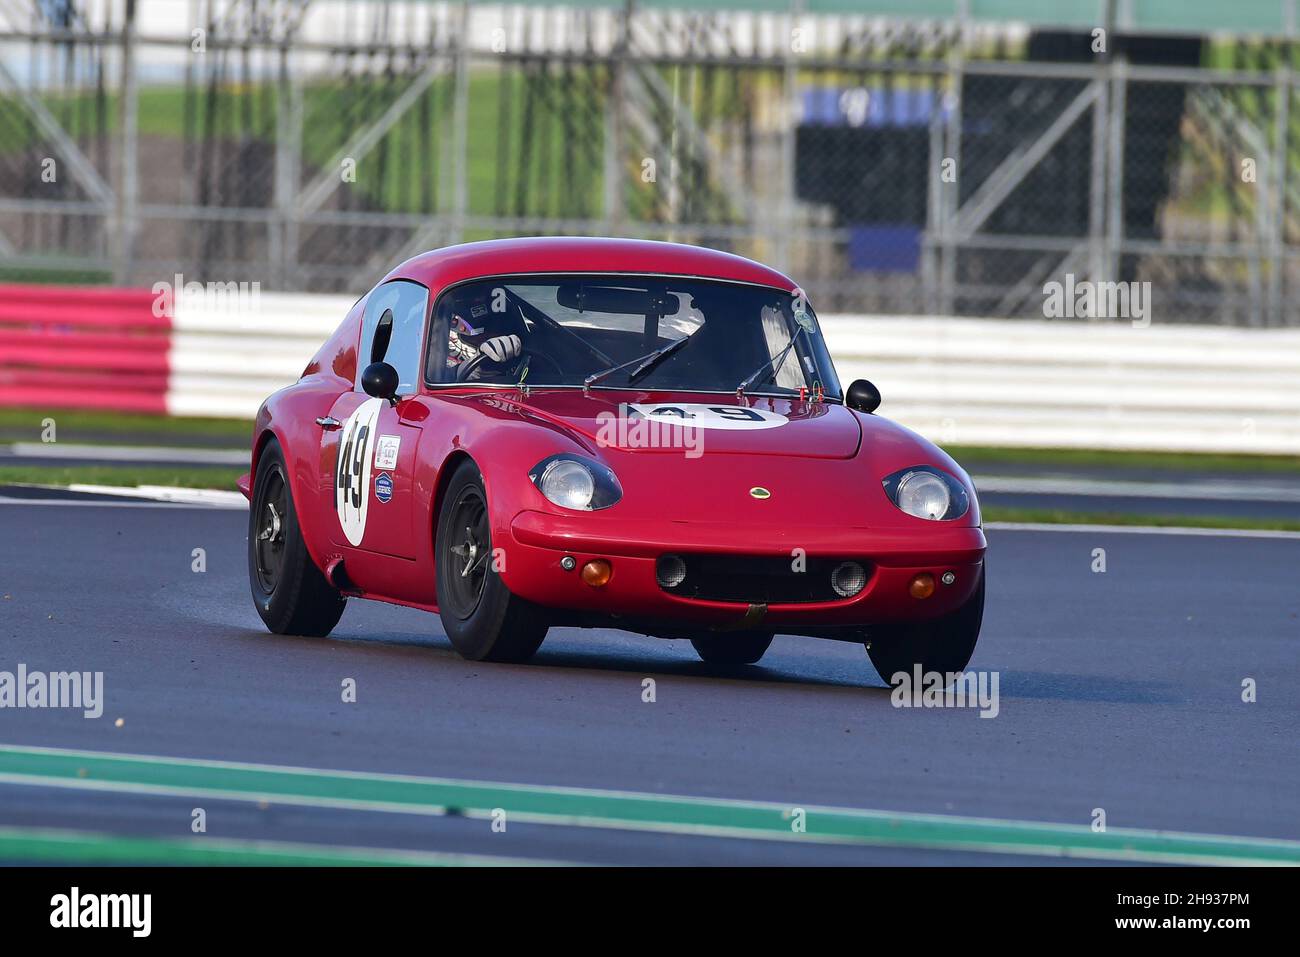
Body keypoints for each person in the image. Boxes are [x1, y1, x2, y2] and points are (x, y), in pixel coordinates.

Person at [444, 287, 529, 381]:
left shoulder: (504, 322)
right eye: (471, 295)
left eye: (480, 295)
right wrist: (480, 368)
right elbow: (443, 377)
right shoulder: (439, 336)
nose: (477, 299)